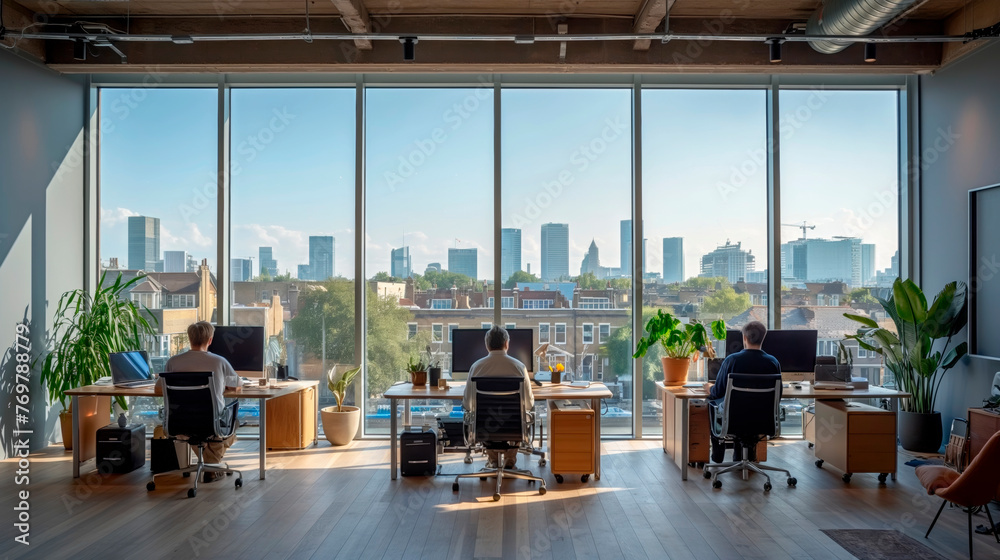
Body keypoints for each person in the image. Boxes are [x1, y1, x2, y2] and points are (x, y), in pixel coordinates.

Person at [159, 321, 241, 482]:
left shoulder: (173, 362)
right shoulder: (219, 361)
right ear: (210, 340)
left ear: (189, 338)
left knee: (191, 431)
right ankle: (212, 466)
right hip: (211, 421)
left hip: (179, 421)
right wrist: (219, 388)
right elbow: (236, 387)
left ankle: (209, 465)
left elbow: (158, 389)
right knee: (233, 424)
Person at [462, 325, 535, 469]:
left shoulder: (476, 367)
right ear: (507, 343)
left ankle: (493, 460)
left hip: (486, 426)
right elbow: (528, 404)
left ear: (487, 345)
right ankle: (510, 460)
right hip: (514, 427)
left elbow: (468, 405)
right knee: (518, 416)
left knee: (484, 418)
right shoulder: (519, 367)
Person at [708, 320, 780, 464]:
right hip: (763, 420)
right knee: (751, 412)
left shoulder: (732, 360)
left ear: (744, 338)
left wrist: (708, 387)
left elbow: (717, 392)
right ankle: (746, 454)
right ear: (763, 338)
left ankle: (718, 454)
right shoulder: (773, 362)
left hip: (734, 419)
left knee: (712, 402)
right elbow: (778, 397)